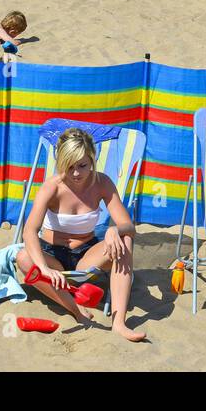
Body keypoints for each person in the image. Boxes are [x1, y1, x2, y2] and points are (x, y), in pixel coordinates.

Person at [15, 126, 147, 342]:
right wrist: (45, 267)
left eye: (82, 166)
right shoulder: (52, 187)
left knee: (125, 240)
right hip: (53, 256)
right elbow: (29, 231)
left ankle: (119, 322)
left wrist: (115, 229)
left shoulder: (102, 183)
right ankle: (76, 310)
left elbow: (129, 226)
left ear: (92, 161)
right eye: (69, 167)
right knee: (23, 257)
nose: (76, 173)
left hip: (86, 256)